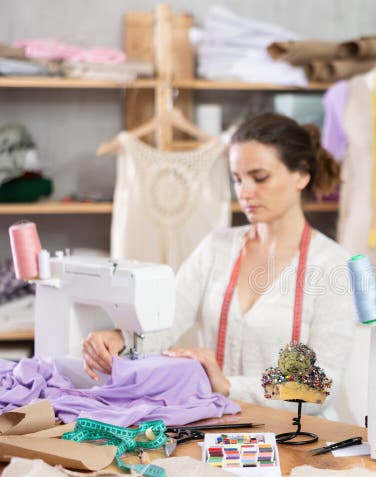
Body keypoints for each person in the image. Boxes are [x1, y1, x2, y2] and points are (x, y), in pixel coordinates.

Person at [82, 113, 355, 418]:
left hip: (299, 436)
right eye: (237, 179)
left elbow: (320, 386)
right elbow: (168, 317)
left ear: (301, 176)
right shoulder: (217, 248)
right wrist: (120, 338)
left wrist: (227, 386)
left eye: (260, 177)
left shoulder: (333, 266)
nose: (245, 192)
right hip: (220, 427)